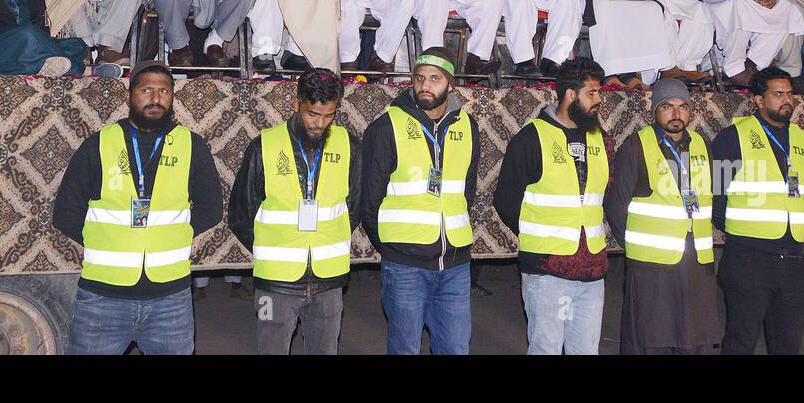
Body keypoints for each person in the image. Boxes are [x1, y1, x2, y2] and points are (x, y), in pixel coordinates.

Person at [53, 60, 224, 355]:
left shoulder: (192, 145)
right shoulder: (99, 144)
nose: (156, 98)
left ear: (172, 98)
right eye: (146, 90)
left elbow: (211, 208)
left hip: (170, 300)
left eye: (164, 91)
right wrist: (106, 240)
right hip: (101, 299)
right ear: (130, 95)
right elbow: (65, 212)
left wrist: (173, 235)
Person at [228, 68, 361, 354]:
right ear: (296, 101)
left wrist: (325, 239)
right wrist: (273, 247)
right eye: (312, 113)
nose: (319, 124)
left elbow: (355, 207)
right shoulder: (264, 145)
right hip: (274, 284)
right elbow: (241, 213)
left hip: (330, 281)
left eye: (329, 116)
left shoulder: (348, 145)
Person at [361, 47, 480, 355]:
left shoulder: (468, 127)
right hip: (405, 265)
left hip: (455, 262)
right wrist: (392, 247)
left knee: (455, 349)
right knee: (405, 349)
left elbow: (467, 192)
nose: (426, 84)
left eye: (435, 78)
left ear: (451, 84)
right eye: (420, 78)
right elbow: (370, 197)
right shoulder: (388, 126)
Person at [494, 57, 613, 354]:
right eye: (592, 93)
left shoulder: (601, 139)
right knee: (546, 348)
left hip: (593, 270)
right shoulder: (531, 138)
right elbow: (506, 200)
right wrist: (540, 238)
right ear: (570, 95)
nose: (599, 99)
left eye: (599, 93)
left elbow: (602, 197)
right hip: (548, 271)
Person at [604, 77, 721, 354]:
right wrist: (639, 246)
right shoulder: (636, 146)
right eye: (667, 106)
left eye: (683, 106)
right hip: (652, 266)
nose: (676, 113)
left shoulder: (703, 145)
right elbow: (616, 206)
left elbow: (712, 196)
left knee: (693, 337)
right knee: (651, 339)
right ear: (654, 110)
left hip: (696, 260)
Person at [711, 67, 804, 355]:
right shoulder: (733, 137)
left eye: (789, 94)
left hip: (793, 259)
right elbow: (717, 196)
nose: (787, 100)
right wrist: (744, 233)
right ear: (757, 100)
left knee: (787, 345)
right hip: (749, 260)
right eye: (778, 94)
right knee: (741, 341)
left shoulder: (800, 138)